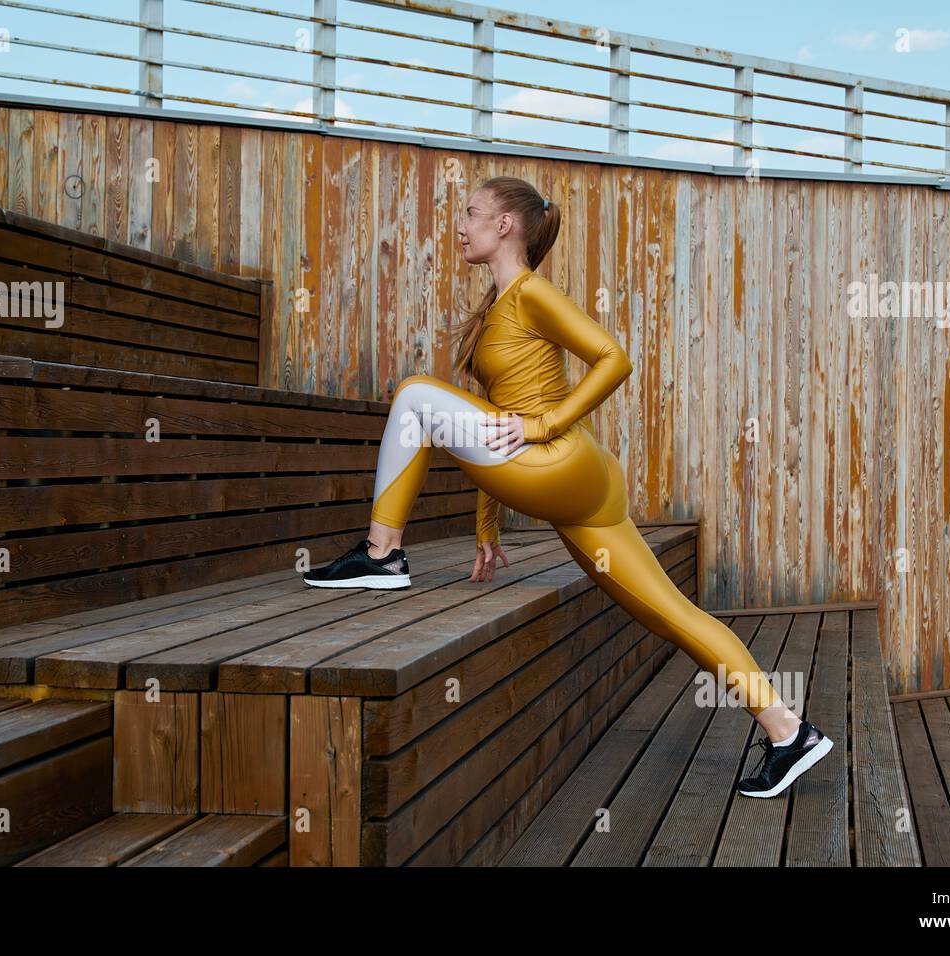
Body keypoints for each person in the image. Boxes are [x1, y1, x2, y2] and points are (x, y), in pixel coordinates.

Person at [302, 175, 831, 798]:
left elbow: (614, 358)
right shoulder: (499, 305)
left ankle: (382, 554)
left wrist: (545, 424)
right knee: (672, 614)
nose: (460, 226)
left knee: (415, 395)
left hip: (559, 460)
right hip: (581, 483)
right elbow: (495, 422)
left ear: (504, 225)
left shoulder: (530, 293)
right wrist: (487, 524)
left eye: (470, 213)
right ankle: (789, 731)